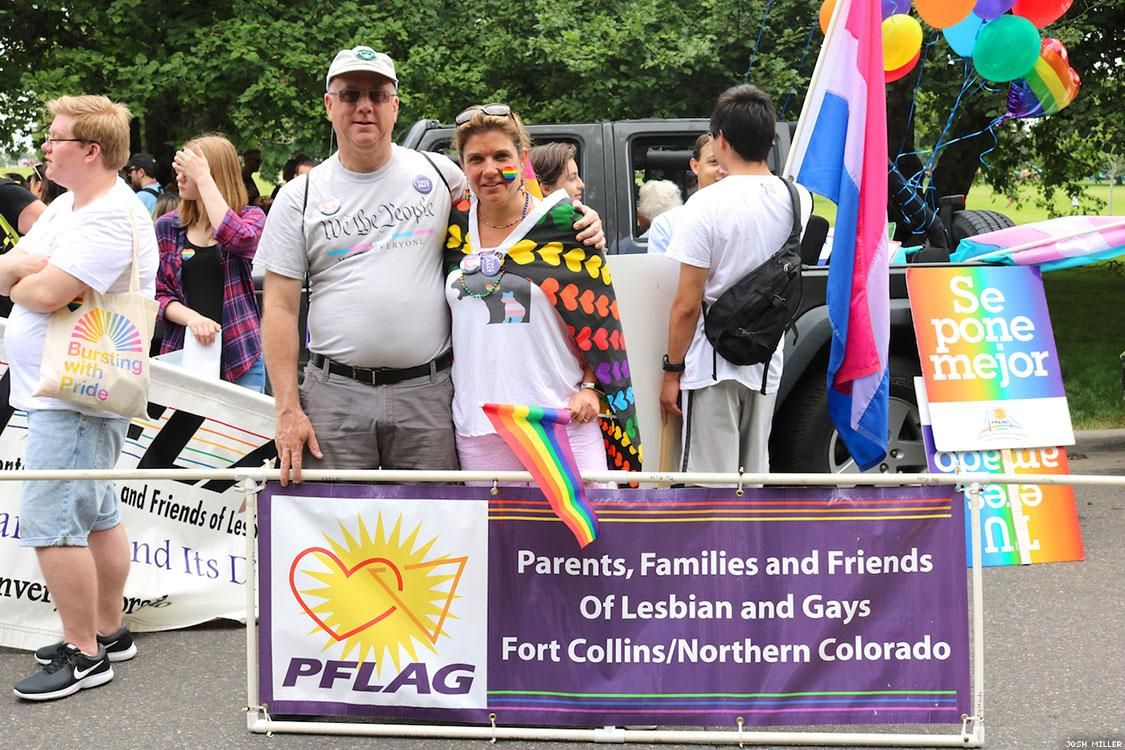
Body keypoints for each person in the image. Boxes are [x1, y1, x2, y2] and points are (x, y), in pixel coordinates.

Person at [256, 46, 604, 485]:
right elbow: (281, 309)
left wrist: (574, 219)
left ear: (395, 106)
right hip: (334, 396)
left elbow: (510, 196)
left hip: (427, 393)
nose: (365, 106)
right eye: (350, 95)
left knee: (436, 534)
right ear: (329, 104)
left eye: (378, 95)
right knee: (335, 535)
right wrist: (287, 409)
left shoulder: (440, 175)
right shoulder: (299, 196)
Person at [0, 94, 158, 700]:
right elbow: (21, 266)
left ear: (89, 150)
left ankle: (84, 653)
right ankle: (107, 630)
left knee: (51, 522)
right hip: (73, 390)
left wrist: (28, 282)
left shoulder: (109, 215)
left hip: (70, 395)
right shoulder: (72, 204)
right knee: (94, 515)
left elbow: (43, 291)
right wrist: (28, 276)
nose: (45, 144)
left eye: (55, 137)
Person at [443, 104, 641, 476]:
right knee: (497, 535)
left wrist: (591, 387)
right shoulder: (451, 228)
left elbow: (601, 319)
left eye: (501, 156)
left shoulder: (565, 224)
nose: (489, 170)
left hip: (560, 419)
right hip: (479, 429)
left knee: (589, 531)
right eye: (476, 159)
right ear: (463, 164)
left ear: (522, 158)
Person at [659, 84, 810, 475]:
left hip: (711, 365)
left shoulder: (705, 204)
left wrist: (671, 372)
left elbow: (687, 304)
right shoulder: (798, 199)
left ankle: (716, 541)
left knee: (711, 490)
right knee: (754, 479)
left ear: (721, 139)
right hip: (766, 360)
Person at [155, 134, 267, 391]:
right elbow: (158, 294)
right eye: (179, 171)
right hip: (182, 356)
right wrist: (192, 318)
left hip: (241, 356)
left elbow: (239, 240)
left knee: (238, 433)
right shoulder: (167, 227)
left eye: (188, 172)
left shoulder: (251, 217)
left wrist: (204, 179)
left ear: (213, 175)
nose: (179, 179)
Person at [647, 133, 728, 254]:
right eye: (714, 162)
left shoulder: (752, 218)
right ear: (695, 166)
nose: (722, 170)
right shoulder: (666, 226)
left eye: (727, 163)